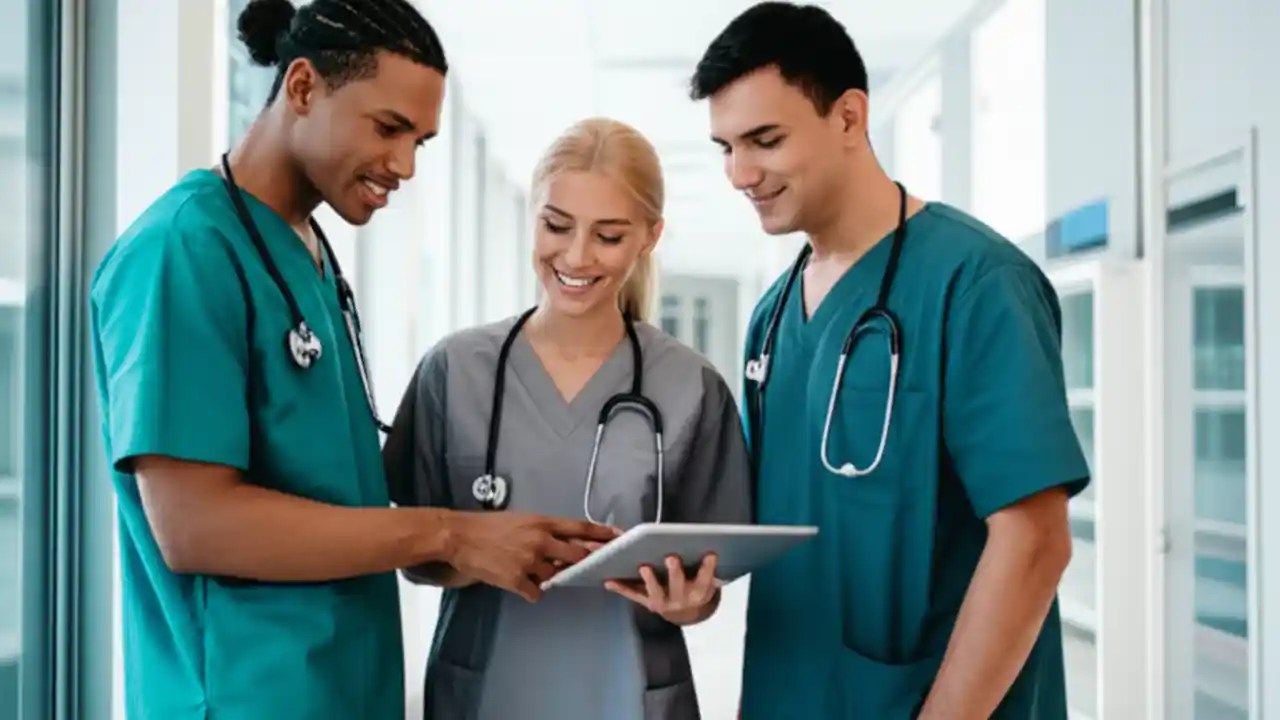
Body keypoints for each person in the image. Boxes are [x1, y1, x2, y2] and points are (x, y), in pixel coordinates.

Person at [88, 2, 615, 718]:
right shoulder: (182, 249)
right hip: (244, 696)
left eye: (421, 142)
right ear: (302, 87)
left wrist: (486, 547)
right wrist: (448, 531)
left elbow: (337, 498)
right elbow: (194, 525)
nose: (402, 165)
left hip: (343, 688)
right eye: (388, 127)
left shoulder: (309, 253)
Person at [687, 3, 1091, 719]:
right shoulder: (772, 318)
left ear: (848, 118)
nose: (740, 173)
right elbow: (773, 514)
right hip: (788, 691)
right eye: (724, 146)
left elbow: (1034, 542)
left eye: (765, 140)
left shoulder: (976, 284)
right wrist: (696, 587)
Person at [382, 117, 753, 720]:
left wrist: (689, 605)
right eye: (557, 226)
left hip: (628, 698)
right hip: (486, 695)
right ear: (533, 216)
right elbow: (408, 550)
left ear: (649, 239)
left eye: (608, 236)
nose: (576, 256)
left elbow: (706, 581)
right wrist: (467, 552)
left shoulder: (692, 388)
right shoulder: (454, 371)